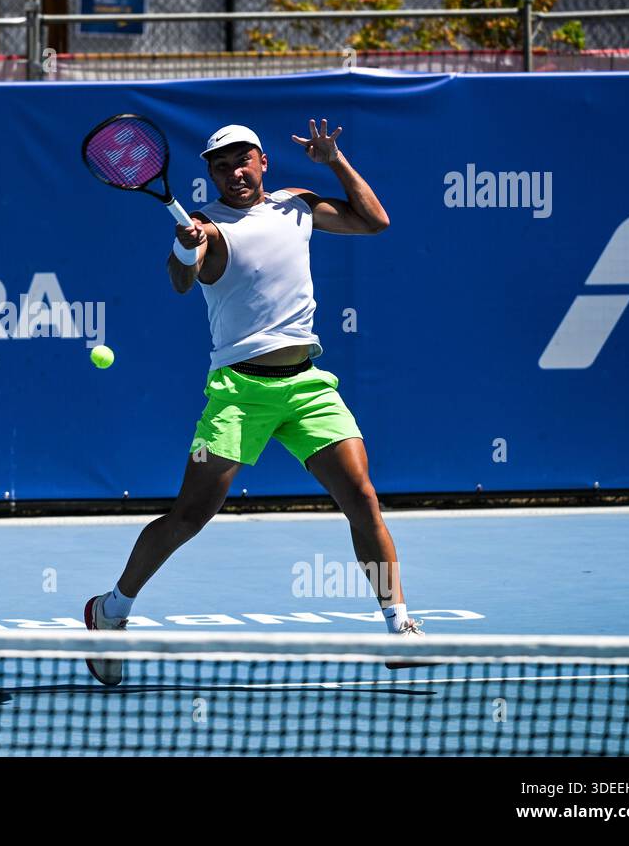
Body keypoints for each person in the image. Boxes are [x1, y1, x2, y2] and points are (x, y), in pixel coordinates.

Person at [84, 119, 421, 686]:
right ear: (210, 174)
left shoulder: (297, 205)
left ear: (263, 161)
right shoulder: (206, 227)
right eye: (221, 165)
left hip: (308, 387)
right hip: (238, 393)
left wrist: (335, 161)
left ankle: (399, 625)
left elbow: (375, 221)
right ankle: (110, 609)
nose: (234, 172)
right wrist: (182, 245)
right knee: (191, 515)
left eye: (243, 160)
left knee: (362, 497)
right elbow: (181, 281)